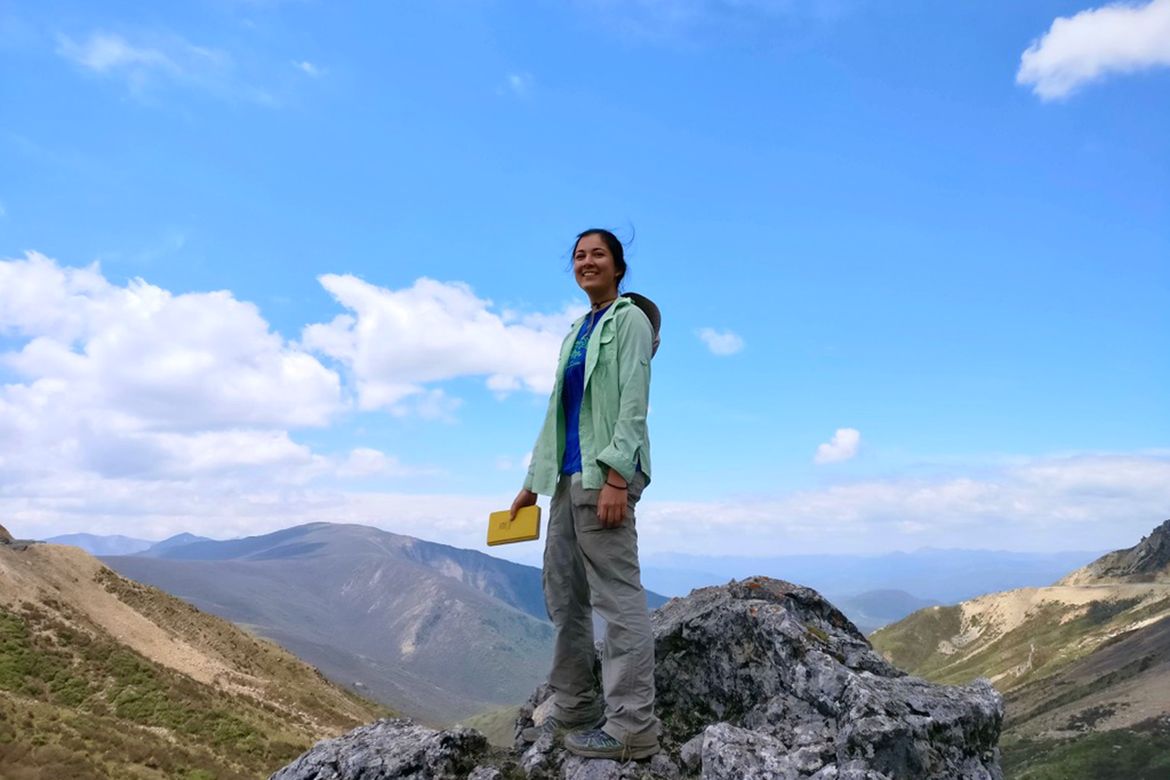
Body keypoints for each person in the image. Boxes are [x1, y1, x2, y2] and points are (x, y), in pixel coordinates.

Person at [511, 228, 660, 761]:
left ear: (618, 267)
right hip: (566, 480)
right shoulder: (578, 329)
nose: (587, 261)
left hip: (604, 477)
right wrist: (533, 481)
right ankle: (574, 700)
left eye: (598, 254)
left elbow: (633, 401)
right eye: (579, 255)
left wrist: (619, 476)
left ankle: (631, 728)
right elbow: (559, 412)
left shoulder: (630, 320)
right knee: (564, 593)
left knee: (617, 600)